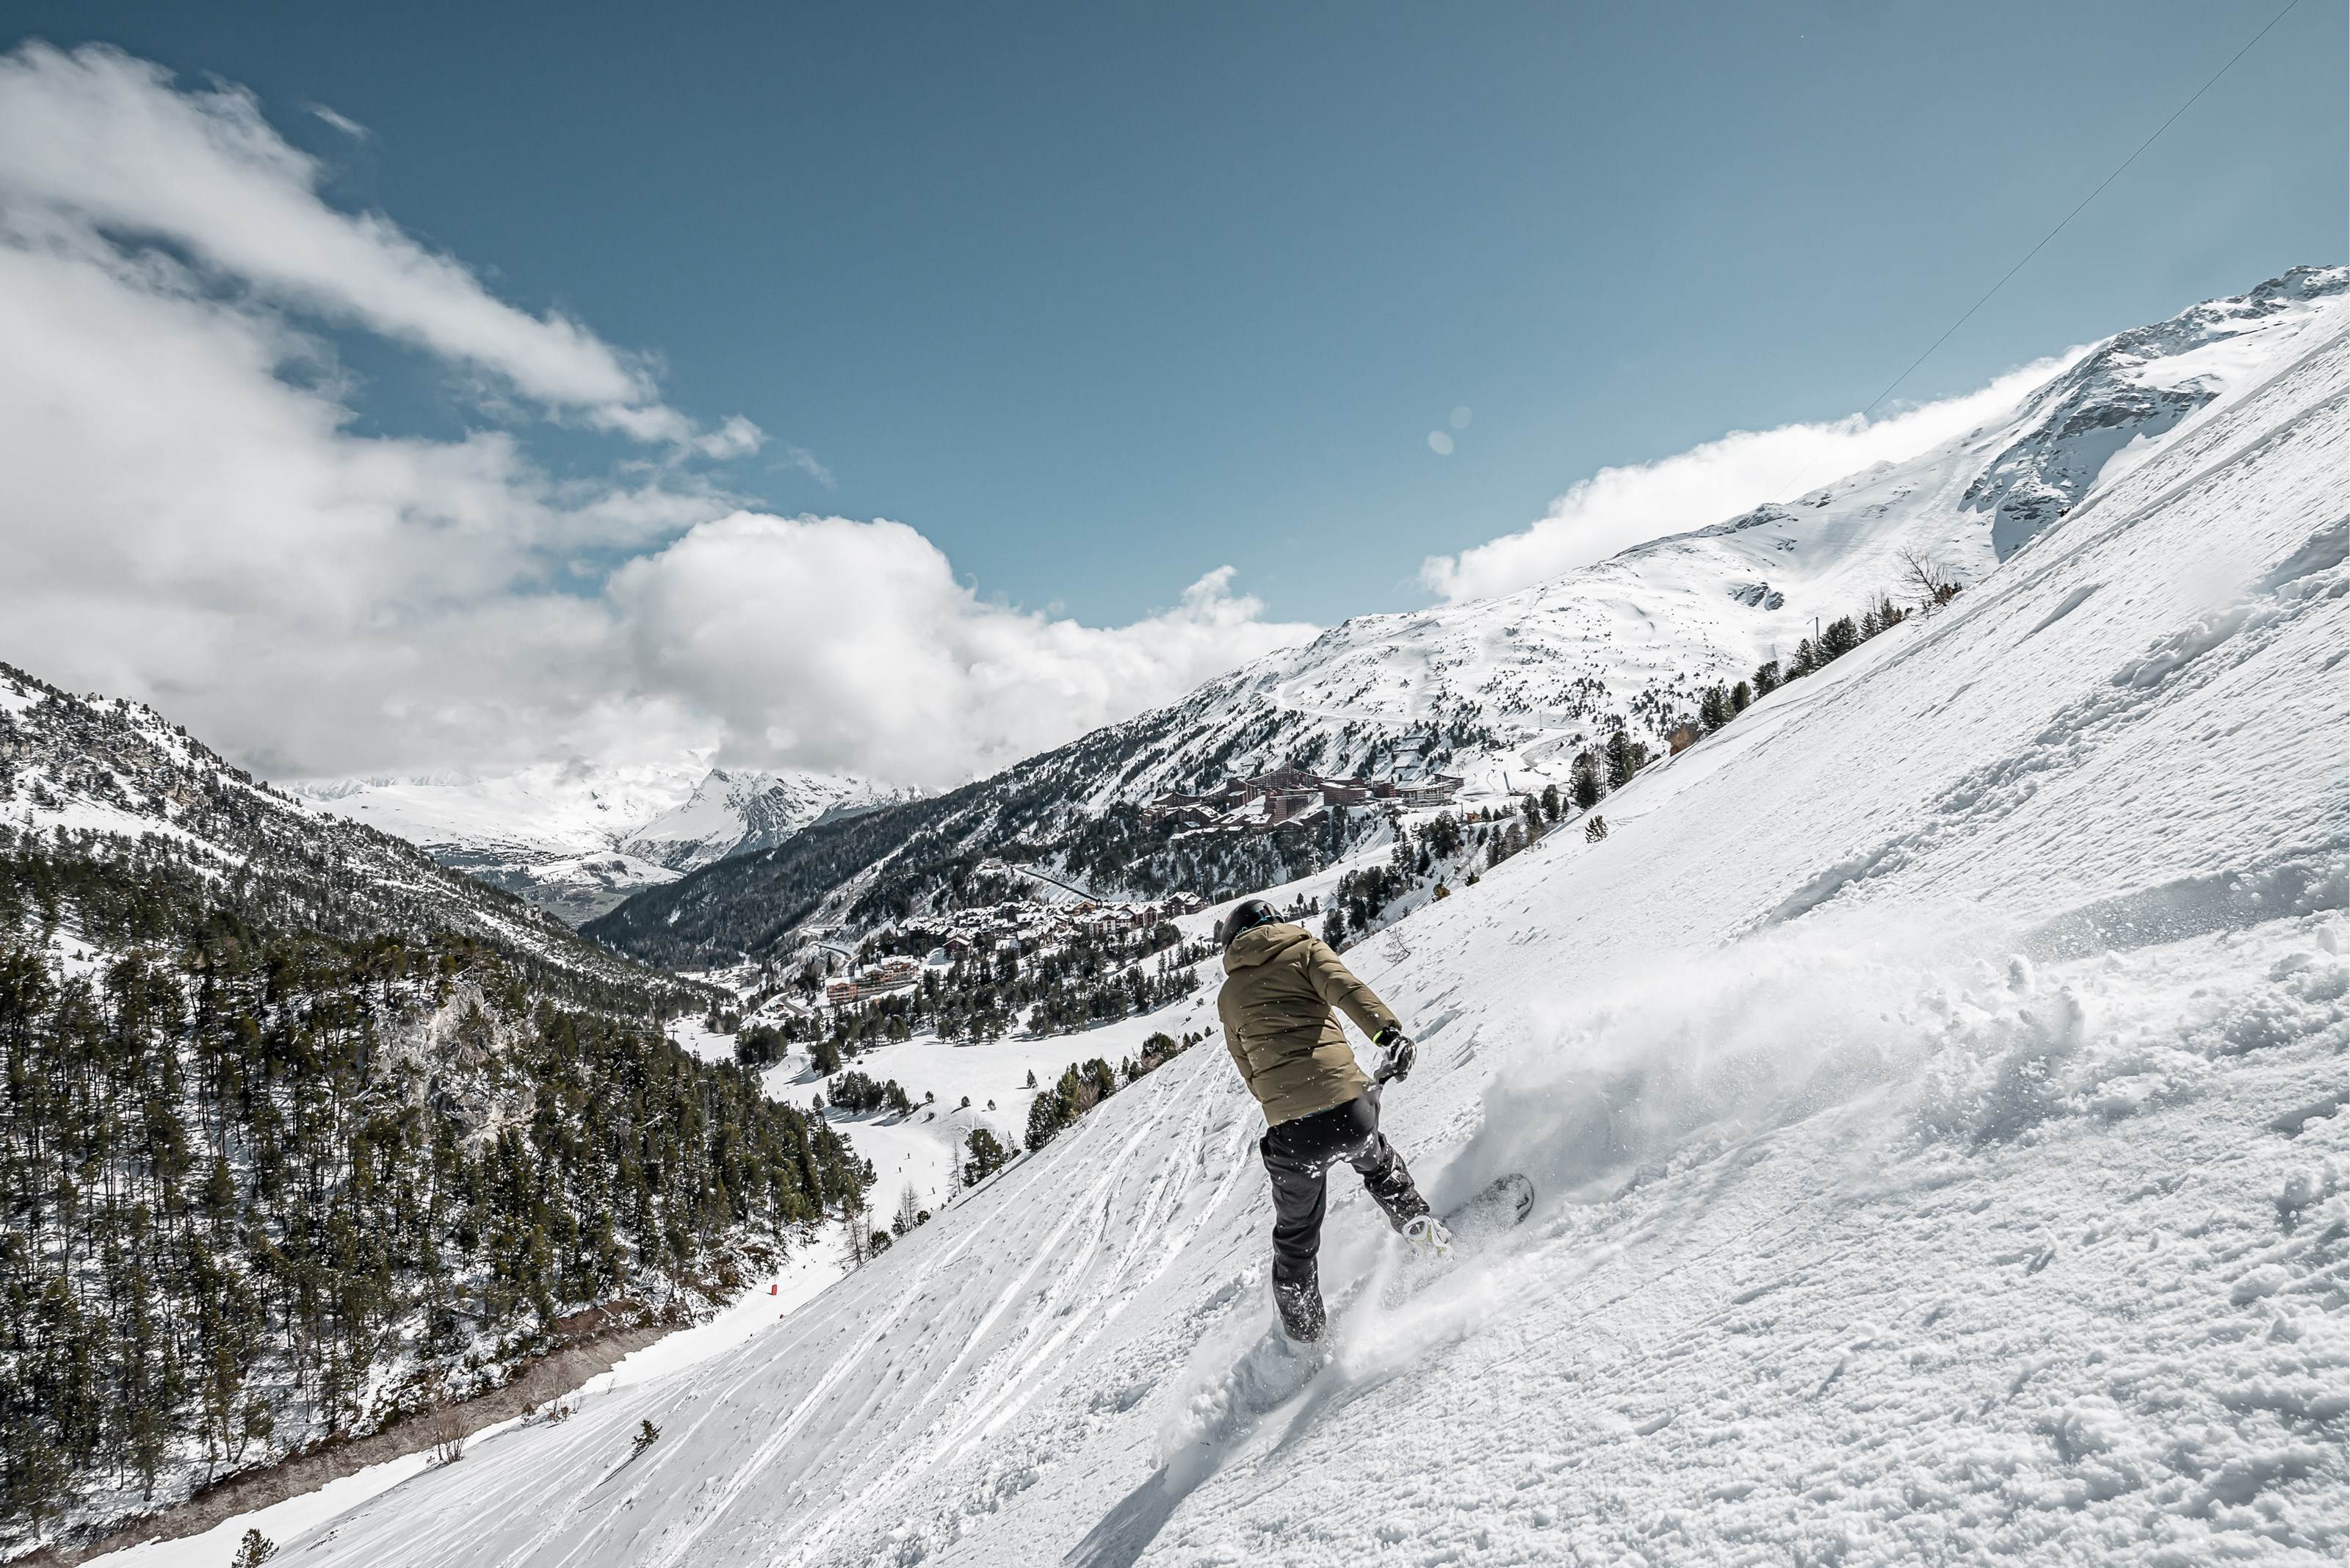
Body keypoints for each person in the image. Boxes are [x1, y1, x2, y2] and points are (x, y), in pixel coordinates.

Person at [1214, 897, 1447, 1343]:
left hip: (1294, 1135)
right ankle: (1418, 1226)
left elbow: (1244, 1063)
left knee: (1296, 1235)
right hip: (1350, 1113)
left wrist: (1280, 1105)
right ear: (1275, 923)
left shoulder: (1229, 997)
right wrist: (1388, 1033)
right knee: (1378, 1164)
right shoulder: (1303, 950)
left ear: (1231, 943)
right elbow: (1347, 989)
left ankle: (1306, 1335)